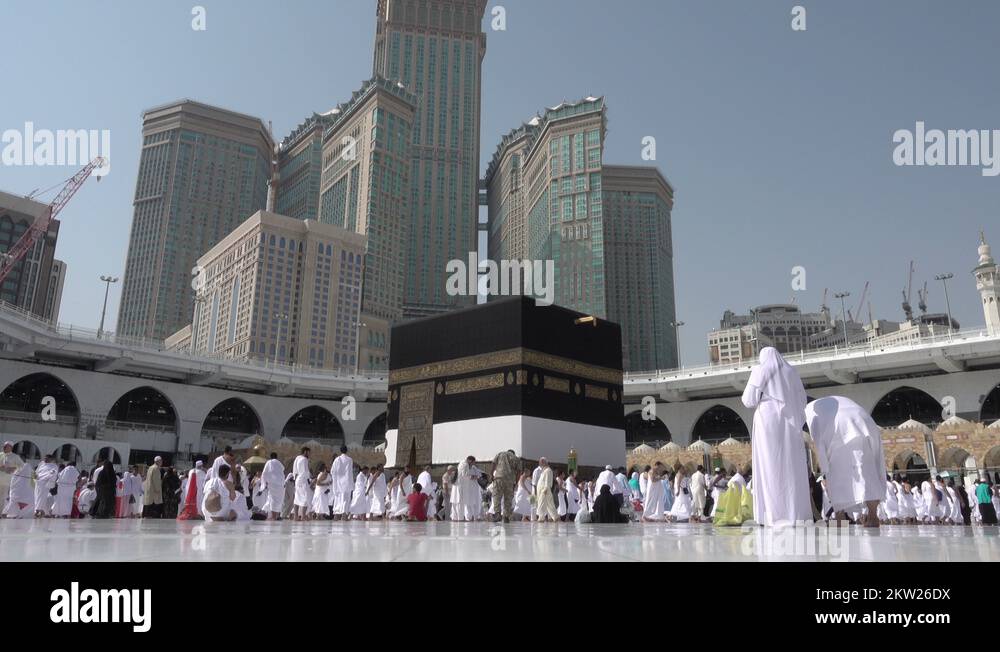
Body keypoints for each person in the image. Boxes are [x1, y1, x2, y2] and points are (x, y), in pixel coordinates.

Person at [741, 347, 812, 526]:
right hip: (790, 420)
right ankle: (795, 513)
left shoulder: (761, 369)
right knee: (791, 466)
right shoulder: (791, 371)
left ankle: (773, 514)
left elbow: (748, 399)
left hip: (767, 418)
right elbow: (802, 399)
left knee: (770, 465)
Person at [804, 396, 887, 527]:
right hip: (864, 420)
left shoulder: (809, 411)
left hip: (840, 427)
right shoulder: (830, 402)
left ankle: (840, 517)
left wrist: (824, 466)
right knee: (868, 470)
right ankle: (872, 515)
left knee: (835, 475)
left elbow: (818, 440)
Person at [491, 449, 520, 523]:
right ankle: (506, 516)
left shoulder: (500, 454)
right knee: (508, 498)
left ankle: (497, 514)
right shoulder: (516, 458)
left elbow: (493, 463)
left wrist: (491, 474)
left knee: (497, 496)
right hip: (510, 480)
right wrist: (516, 482)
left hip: (499, 478)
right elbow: (519, 471)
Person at [330, 446, 354, 520]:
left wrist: (336, 479)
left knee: (338, 499)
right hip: (346, 483)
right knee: (346, 499)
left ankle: (336, 516)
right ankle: (344, 516)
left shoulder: (337, 459)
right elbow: (350, 472)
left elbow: (332, 471)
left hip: (338, 483)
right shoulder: (350, 459)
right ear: (347, 451)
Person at [0, 441, 24, 516]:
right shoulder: (0, 454)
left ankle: (0, 512)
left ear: (11, 448)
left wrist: (13, 468)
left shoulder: (15, 457)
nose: (4, 448)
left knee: (2, 497)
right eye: (4, 446)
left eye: (6, 446)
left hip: (6, 481)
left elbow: (22, 466)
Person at [261, 453, 285, 520]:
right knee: (277, 499)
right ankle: (275, 515)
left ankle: (273, 516)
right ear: (276, 457)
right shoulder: (279, 463)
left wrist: (264, 483)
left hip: (273, 483)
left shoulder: (269, 462)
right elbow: (283, 469)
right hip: (280, 484)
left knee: (273, 499)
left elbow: (264, 473)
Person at [534, 458, 559, 522]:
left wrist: (545, 489)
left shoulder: (548, 470)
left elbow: (548, 481)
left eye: (540, 462)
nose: (540, 464)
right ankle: (555, 517)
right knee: (549, 504)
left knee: (542, 504)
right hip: (543, 490)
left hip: (544, 490)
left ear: (543, 462)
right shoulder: (545, 470)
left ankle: (541, 518)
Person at [292, 447, 312, 521]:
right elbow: (305, 472)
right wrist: (309, 480)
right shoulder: (304, 459)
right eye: (309, 452)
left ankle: (296, 516)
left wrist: (295, 479)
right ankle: (303, 516)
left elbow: (295, 470)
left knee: (297, 498)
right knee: (305, 498)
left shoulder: (297, 458)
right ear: (305, 452)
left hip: (297, 479)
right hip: (303, 480)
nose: (309, 454)